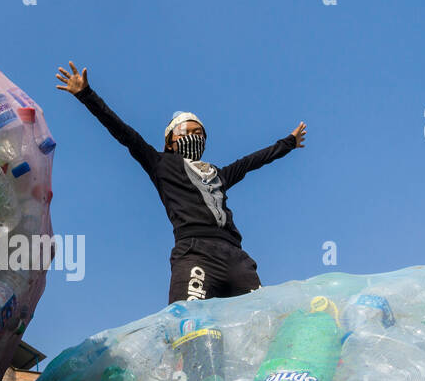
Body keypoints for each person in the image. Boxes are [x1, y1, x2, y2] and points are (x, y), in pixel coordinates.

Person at [55, 61, 306, 304]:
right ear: (170, 141)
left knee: (261, 318)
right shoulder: (161, 164)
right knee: (188, 324)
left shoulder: (218, 173)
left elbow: (252, 161)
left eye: (200, 133)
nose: (196, 136)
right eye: (190, 131)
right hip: (195, 252)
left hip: (236, 257)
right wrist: (86, 94)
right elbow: (124, 132)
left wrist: (288, 143)